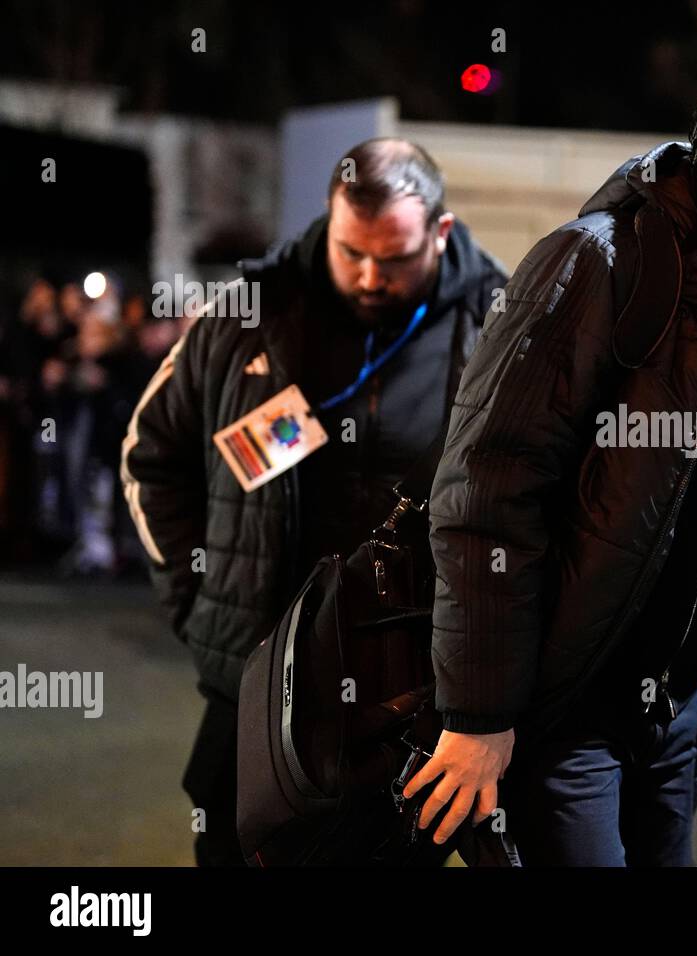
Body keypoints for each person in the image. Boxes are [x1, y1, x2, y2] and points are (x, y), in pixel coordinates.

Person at [406, 48, 697, 866]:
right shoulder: (596, 266)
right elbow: (487, 495)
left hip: (677, 709)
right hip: (558, 714)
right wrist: (478, 713)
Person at [121, 138, 508, 866]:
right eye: (350, 251)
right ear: (327, 222)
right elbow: (150, 457)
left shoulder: (504, 330)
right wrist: (197, 600)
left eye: (393, 259)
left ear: (442, 233)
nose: (369, 276)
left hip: (412, 694)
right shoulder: (242, 316)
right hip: (258, 680)